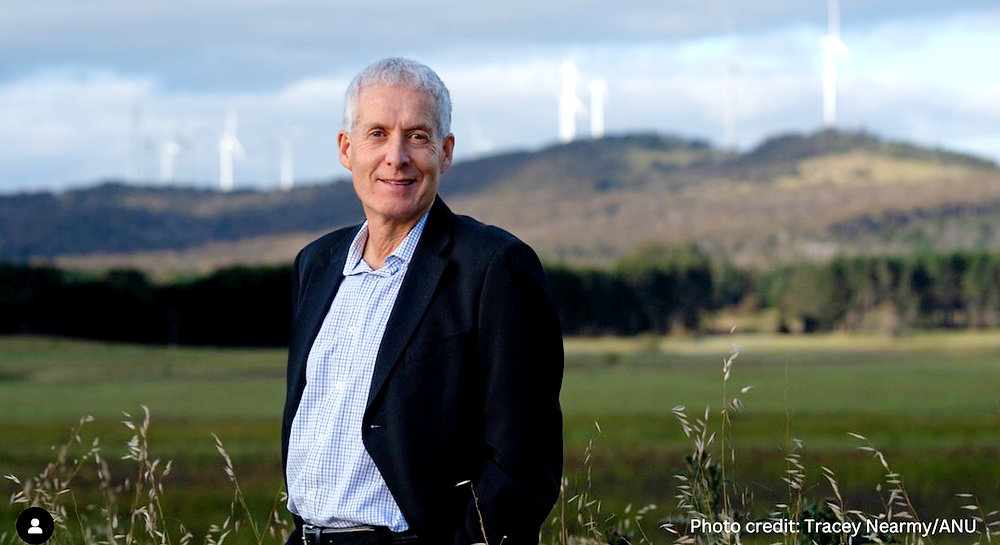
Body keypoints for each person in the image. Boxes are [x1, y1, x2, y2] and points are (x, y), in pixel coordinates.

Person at [281, 57, 564, 545]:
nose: (397, 156)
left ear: (445, 151)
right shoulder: (317, 264)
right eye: (377, 134)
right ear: (346, 149)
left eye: (417, 135)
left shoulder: (495, 267)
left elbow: (525, 460)